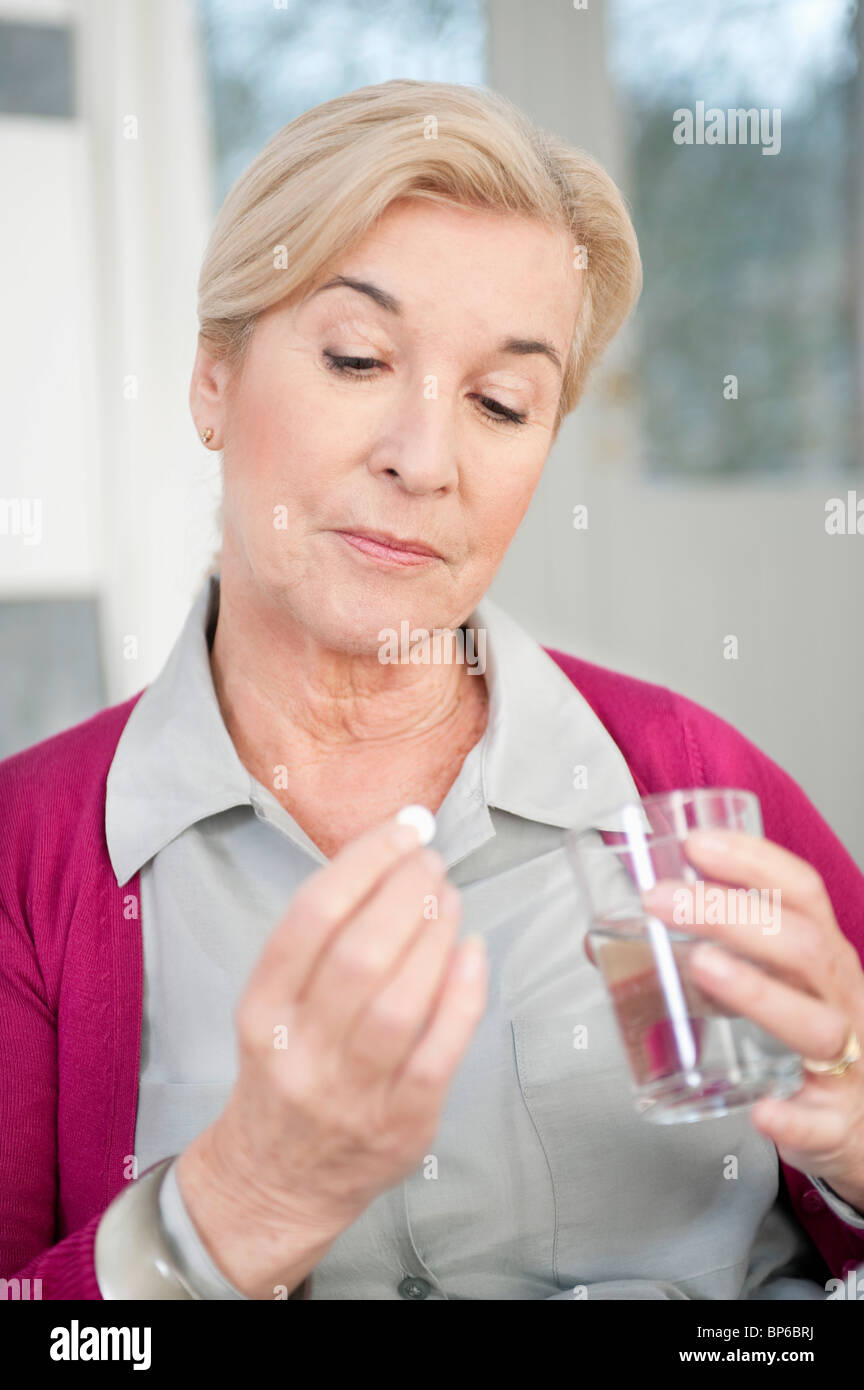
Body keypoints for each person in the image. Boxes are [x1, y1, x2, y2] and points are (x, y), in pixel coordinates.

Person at [2, 79, 864, 1302]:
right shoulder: (26, 864)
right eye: (357, 357)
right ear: (211, 379)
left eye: (503, 402)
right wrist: (232, 1214)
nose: (425, 459)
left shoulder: (697, 779)